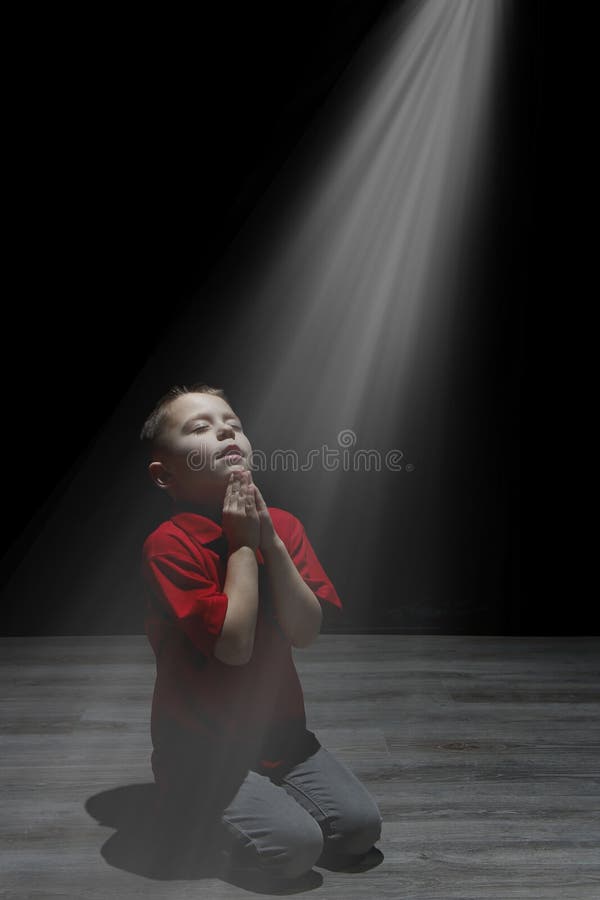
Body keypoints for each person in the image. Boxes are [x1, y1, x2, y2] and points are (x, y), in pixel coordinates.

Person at [138, 382, 383, 884]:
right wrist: (243, 547)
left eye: (233, 424)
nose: (225, 431)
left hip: (279, 736)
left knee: (359, 830)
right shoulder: (170, 544)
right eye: (200, 428)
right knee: (294, 850)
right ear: (165, 475)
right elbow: (233, 648)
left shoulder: (284, 526)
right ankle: (186, 804)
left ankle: (265, 793)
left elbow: (306, 631)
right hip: (201, 747)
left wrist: (269, 540)